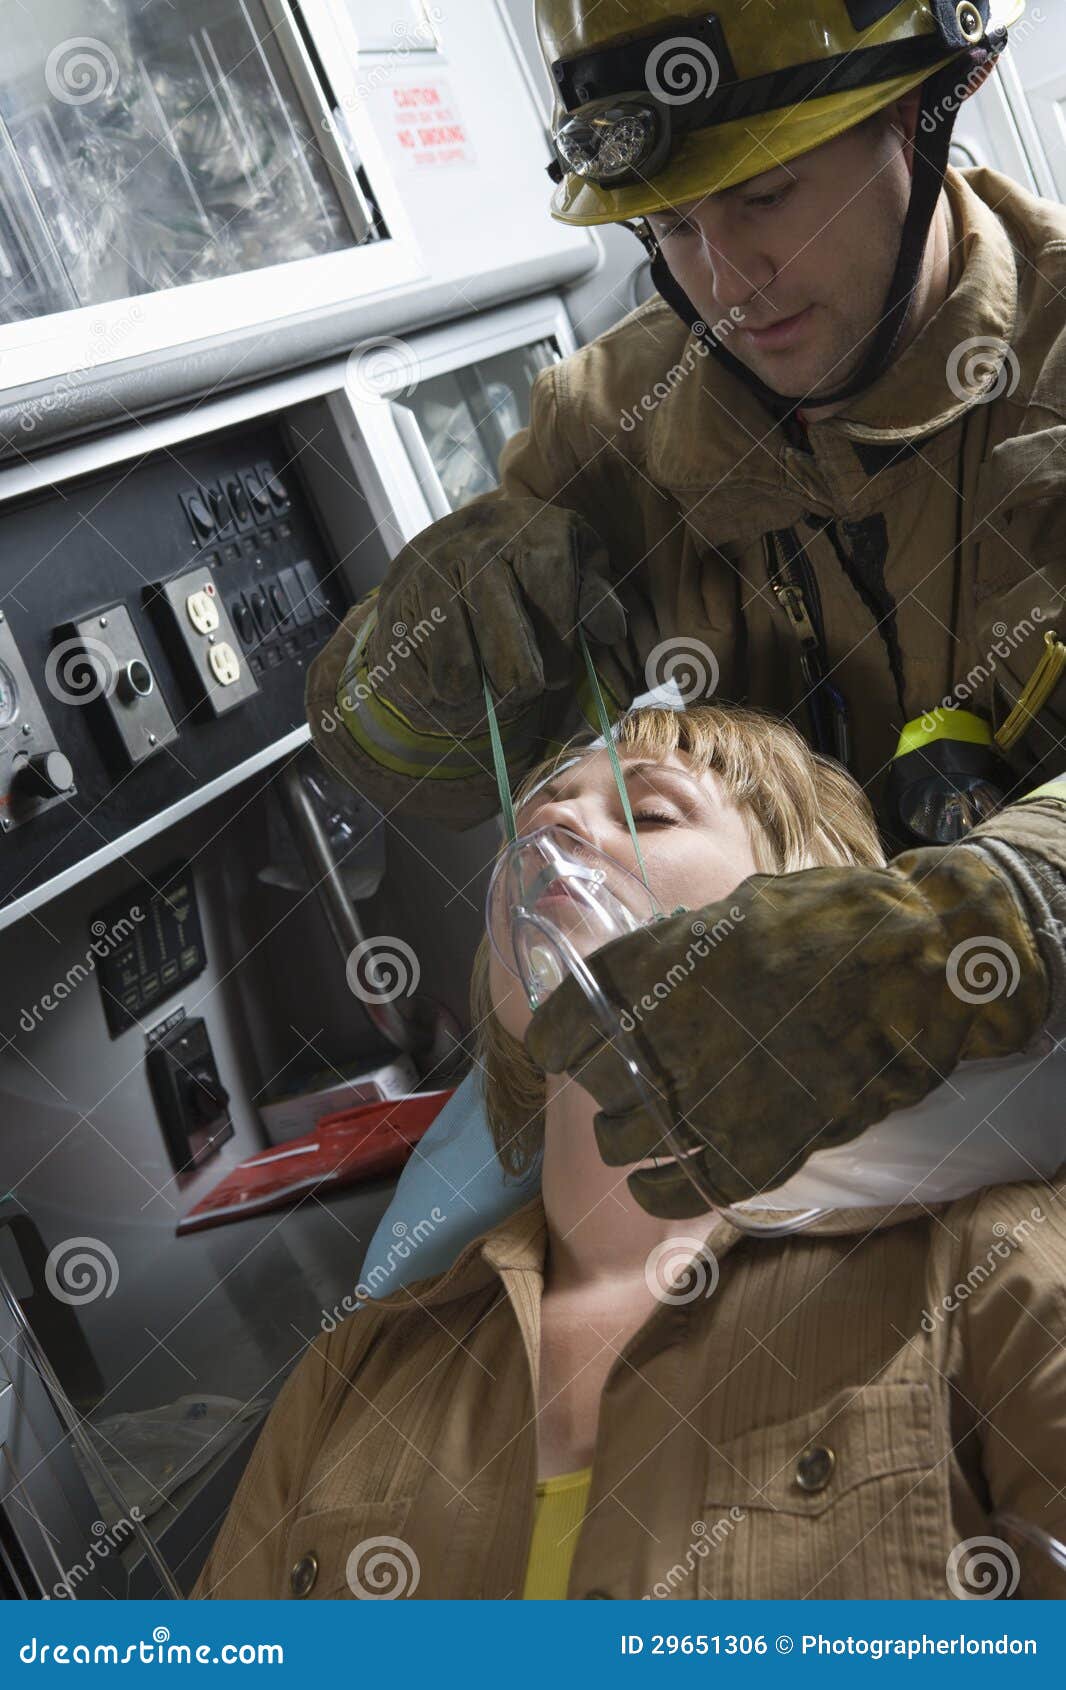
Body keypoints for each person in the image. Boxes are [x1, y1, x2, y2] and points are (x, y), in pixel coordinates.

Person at [305, 1, 1066, 1218]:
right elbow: (439, 775)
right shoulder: (605, 426)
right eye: (669, 225)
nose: (725, 281)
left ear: (927, 111)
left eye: (765, 196)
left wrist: (971, 934)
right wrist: (411, 660)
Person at [192, 705, 1066, 1600]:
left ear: (815, 917)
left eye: (649, 814)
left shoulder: (986, 1269)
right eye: (533, 818)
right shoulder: (354, 1375)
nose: (555, 828)